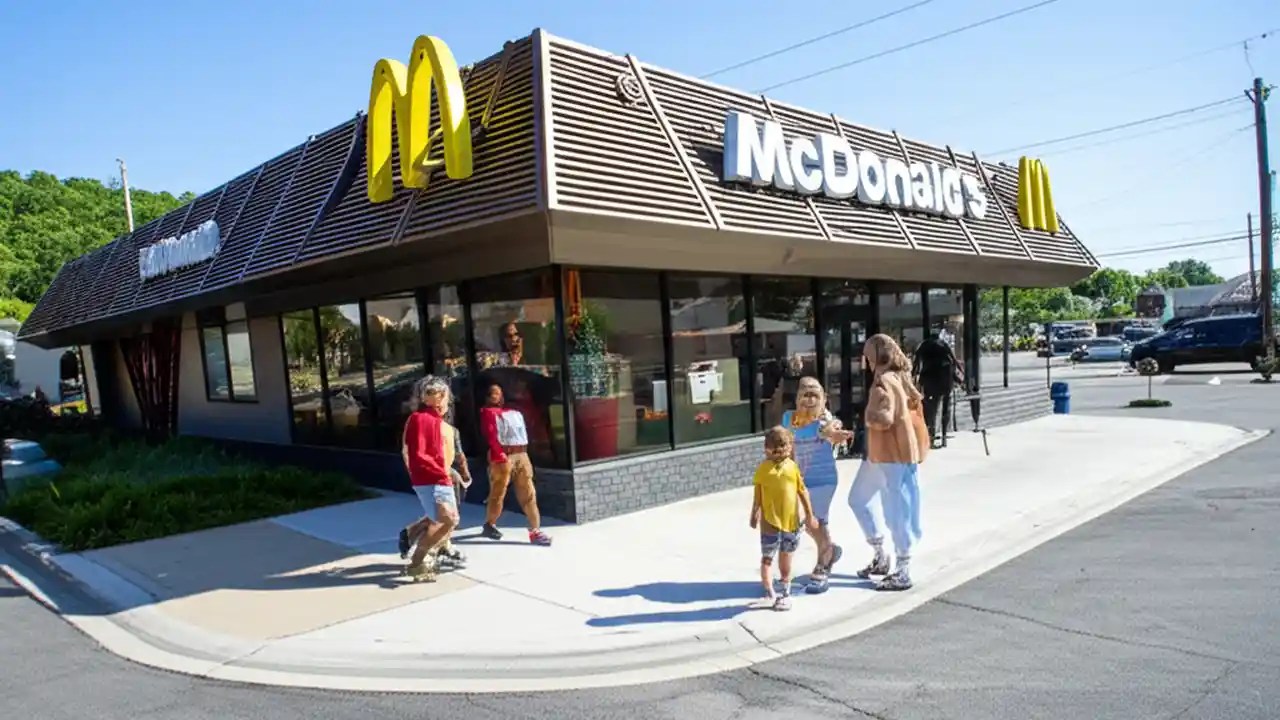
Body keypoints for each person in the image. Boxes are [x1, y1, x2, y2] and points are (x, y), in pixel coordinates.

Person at [849, 334, 927, 592]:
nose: (865, 360)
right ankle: (883, 556)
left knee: (896, 508)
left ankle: (902, 568)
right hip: (888, 454)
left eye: (867, 355)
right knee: (863, 500)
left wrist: (868, 417)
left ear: (874, 356)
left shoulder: (883, 381)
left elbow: (883, 418)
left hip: (890, 454)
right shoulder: (900, 378)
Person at [782, 377, 853, 594]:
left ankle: (823, 563)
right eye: (806, 394)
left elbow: (831, 429)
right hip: (799, 480)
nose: (810, 399)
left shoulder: (825, 421)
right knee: (802, 523)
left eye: (815, 395)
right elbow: (787, 447)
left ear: (823, 399)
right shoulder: (788, 418)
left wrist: (836, 434)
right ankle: (829, 549)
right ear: (797, 397)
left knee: (816, 522)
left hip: (823, 481)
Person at [395, 376, 461, 581]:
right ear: (434, 397)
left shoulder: (431, 420)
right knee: (446, 520)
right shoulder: (422, 419)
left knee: (447, 519)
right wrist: (440, 473)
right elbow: (418, 454)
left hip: (433, 477)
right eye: (444, 397)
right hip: (432, 478)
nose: (446, 402)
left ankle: (412, 537)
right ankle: (417, 563)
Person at [750, 426, 818, 611]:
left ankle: (785, 591)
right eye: (774, 446)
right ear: (766, 448)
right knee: (767, 557)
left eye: (783, 446)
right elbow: (758, 493)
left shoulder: (792, 467)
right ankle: (769, 590)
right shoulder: (764, 469)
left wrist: (810, 515)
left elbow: (802, 491)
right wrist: (754, 512)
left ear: (790, 447)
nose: (778, 450)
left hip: (791, 520)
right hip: (769, 521)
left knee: (786, 556)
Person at [479, 383, 552, 545]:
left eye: (499, 393)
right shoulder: (488, 412)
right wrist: (500, 455)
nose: (498, 396)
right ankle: (490, 524)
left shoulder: (511, 412)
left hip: (520, 453)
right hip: (504, 455)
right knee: (498, 493)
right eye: (494, 394)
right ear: (487, 397)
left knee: (528, 491)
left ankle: (535, 530)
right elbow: (491, 435)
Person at [913, 329, 961, 448]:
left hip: (930, 380)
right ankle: (944, 437)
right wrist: (958, 377)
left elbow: (916, 364)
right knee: (946, 408)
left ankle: (931, 437)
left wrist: (914, 379)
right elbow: (954, 362)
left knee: (931, 409)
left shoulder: (924, 345)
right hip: (945, 380)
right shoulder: (943, 344)